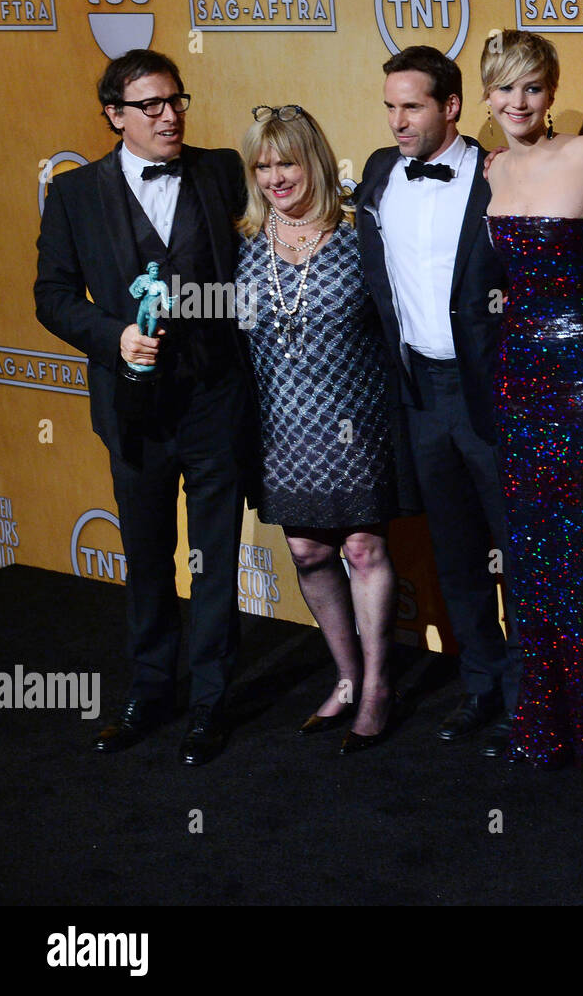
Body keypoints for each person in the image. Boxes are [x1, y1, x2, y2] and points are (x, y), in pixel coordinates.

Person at [34, 48, 252, 766]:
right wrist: (114, 336)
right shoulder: (73, 194)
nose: (170, 116)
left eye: (176, 100)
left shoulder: (219, 169)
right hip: (132, 407)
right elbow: (53, 297)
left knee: (217, 559)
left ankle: (212, 702)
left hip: (215, 397)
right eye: (152, 105)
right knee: (149, 557)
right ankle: (152, 689)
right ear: (114, 115)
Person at [354, 47, 522, 757]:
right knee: (456, 559)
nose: (397, 121)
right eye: (390, 106)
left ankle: (531, 702)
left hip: (492, 396)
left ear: (452, 107)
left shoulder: (500, 175)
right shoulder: (377, 174)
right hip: (419, 395)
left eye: (412, 106)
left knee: (519, 554)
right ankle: (482, 688)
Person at [236, 105, 414, 753]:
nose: (275, 177)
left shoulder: (358, 230)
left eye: (286, 161)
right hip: (281, 423)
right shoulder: (244, 240)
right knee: (308, 552)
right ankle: (345, 675)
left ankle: (376, 687)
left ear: (312, 157)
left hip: (356, 418)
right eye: (262, 165)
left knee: (364, 549)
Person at [482, 29, 583, 770]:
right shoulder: (491, 170)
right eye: (505, 88)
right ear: (484, 96)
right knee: (532, 552)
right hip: (516, 376)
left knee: (581, 549)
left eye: (533, 87)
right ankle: (542, 722)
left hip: (581, 376)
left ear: (552, 92)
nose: (518, 101)